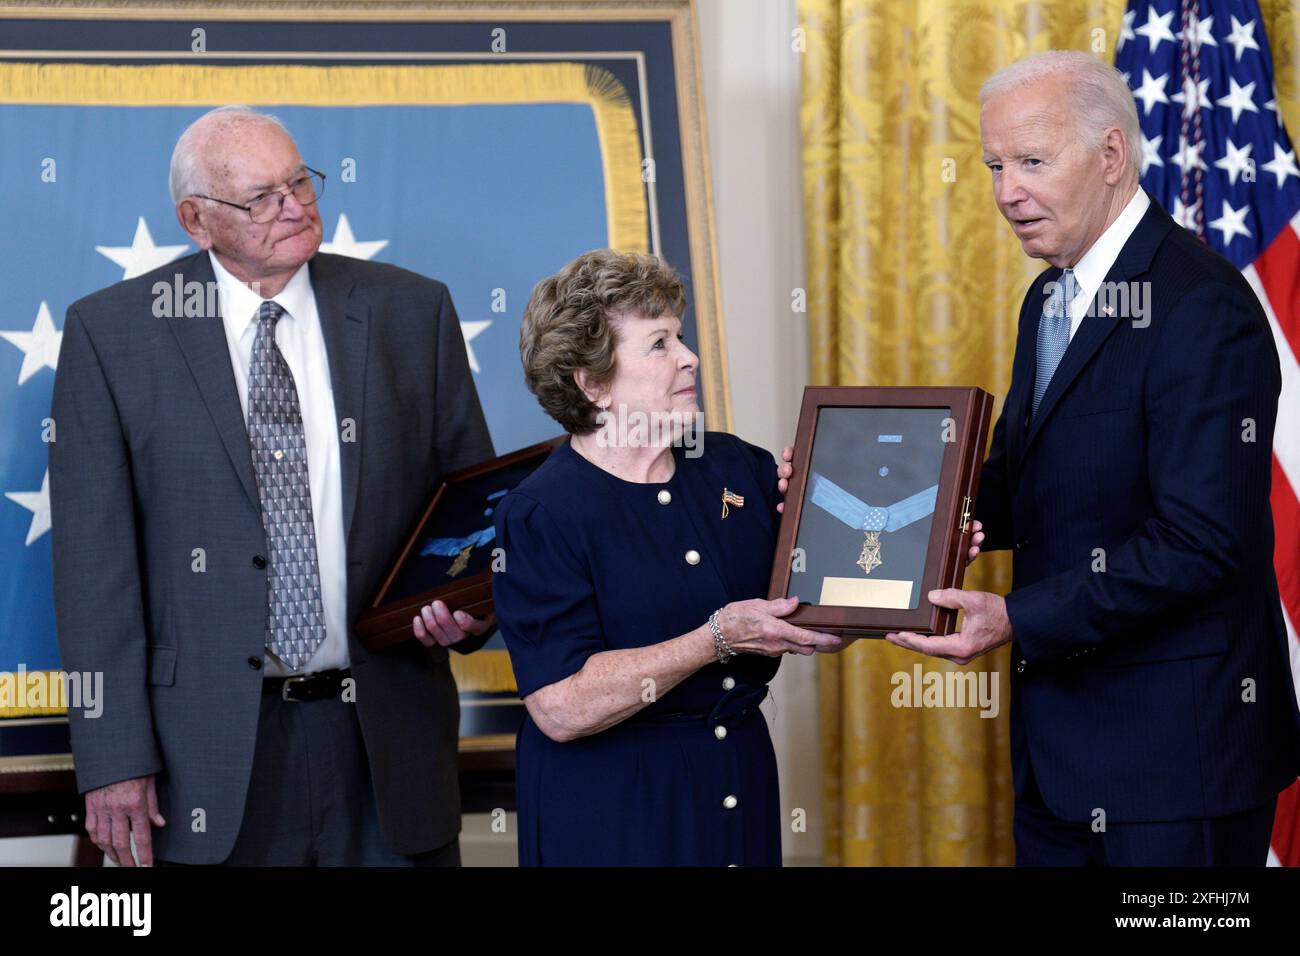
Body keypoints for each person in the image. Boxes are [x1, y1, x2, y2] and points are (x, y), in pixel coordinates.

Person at [50, 106, 494, 866]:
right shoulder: (112, 333)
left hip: (385, 744)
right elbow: (94, 573)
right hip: (208, 756)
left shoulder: (410, 311)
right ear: (196, 219)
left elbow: (470, 511)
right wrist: (114, 756)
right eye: (261, 197)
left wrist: (467, 608)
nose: (296, 205)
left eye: (300, 181)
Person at [886, 51, 1300, 865]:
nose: (1007, 192)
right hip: (1059, 761)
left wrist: (1015, 618)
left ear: (1111, 155)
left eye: (1032, 162)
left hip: (1177, 768)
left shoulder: (1201, 304)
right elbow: (1020, 483)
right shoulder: (1049, 294)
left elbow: (1201, 541)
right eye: (994, 166)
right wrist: (867, 495)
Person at [492, 249, 853, 866]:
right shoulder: (542, 513)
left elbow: (808, 608)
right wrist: (716, 638)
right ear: (593, 382)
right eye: (659, 344)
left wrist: (887, 555)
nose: (689, 357)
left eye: (679, 336)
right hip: (616, 810)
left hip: (738, 781)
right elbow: (560, 706)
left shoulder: (737, 465)